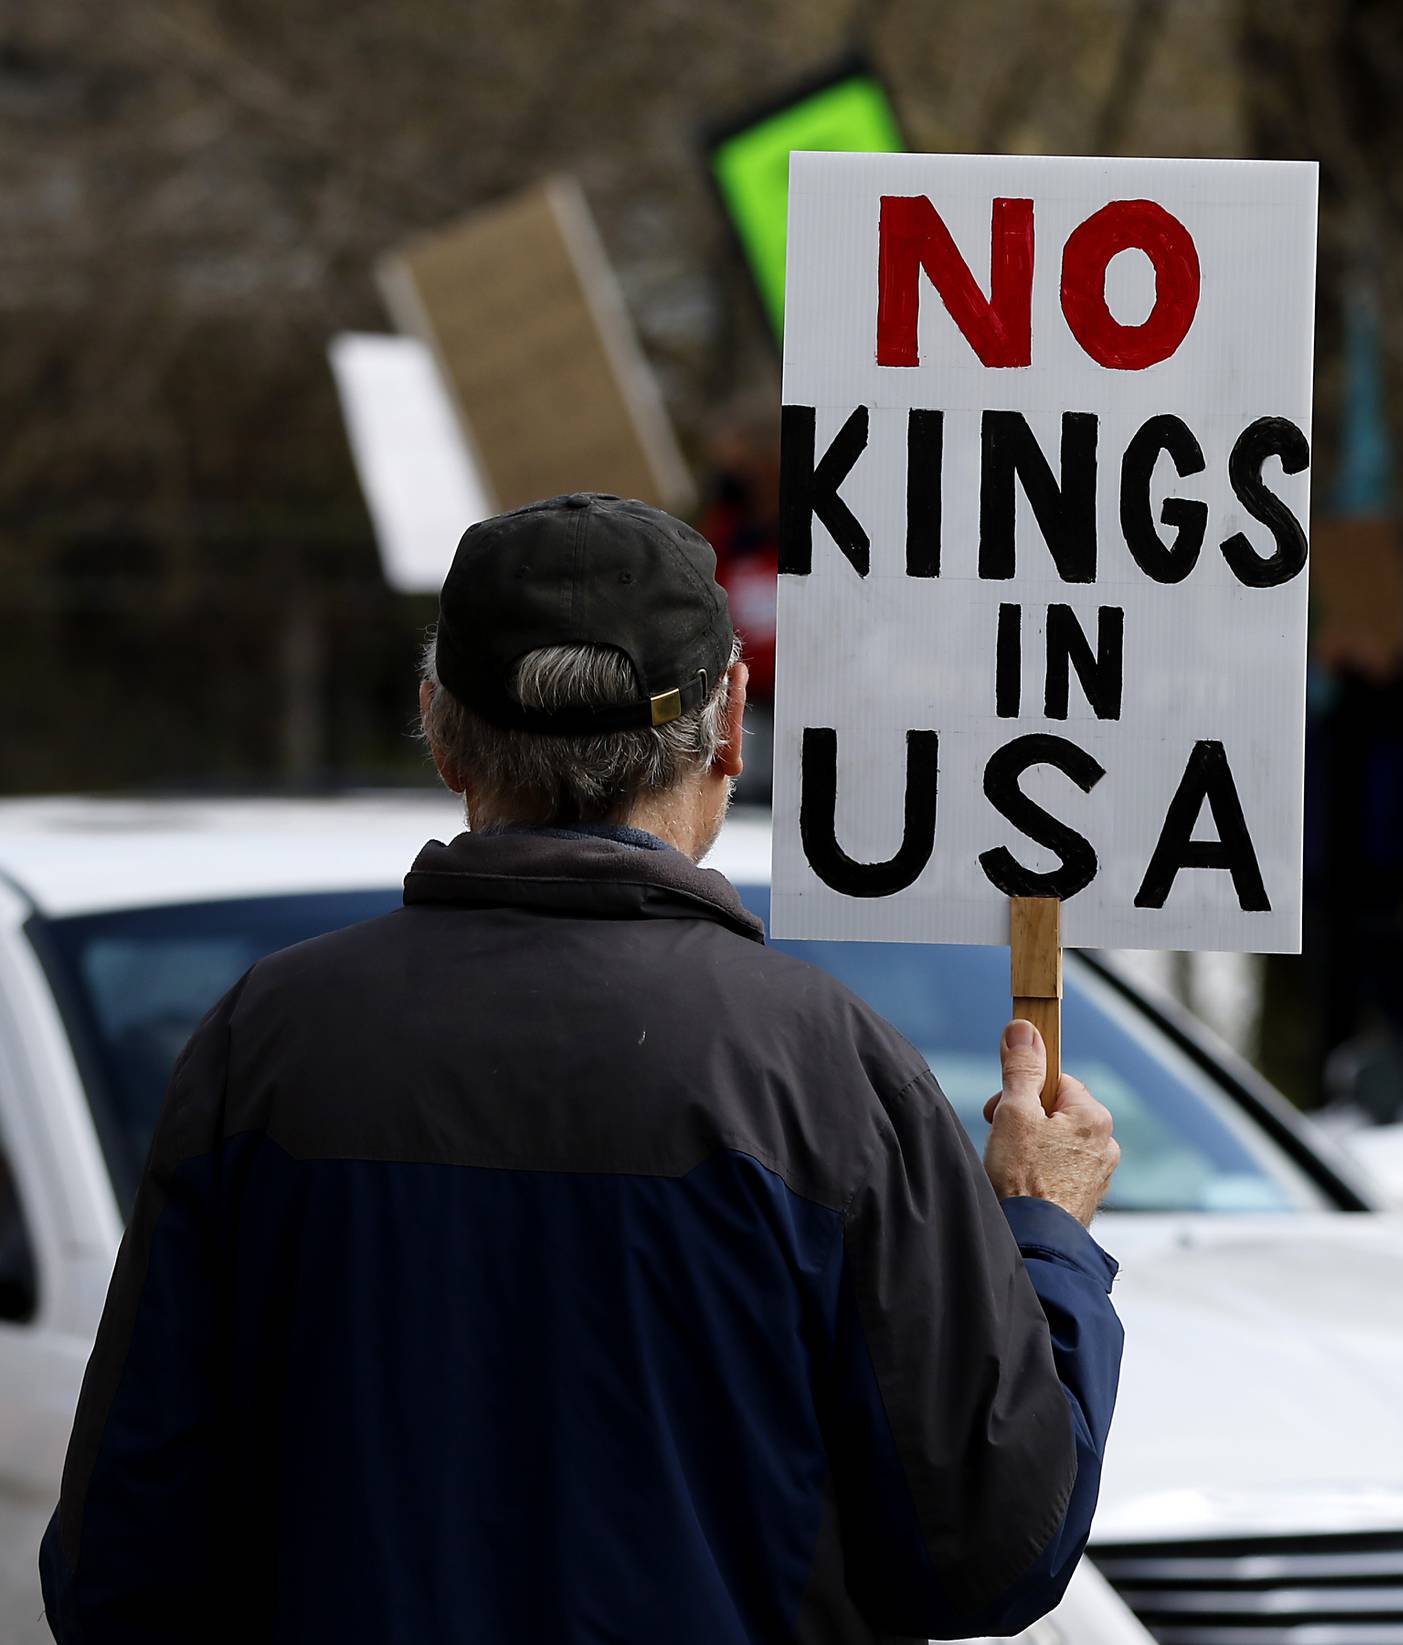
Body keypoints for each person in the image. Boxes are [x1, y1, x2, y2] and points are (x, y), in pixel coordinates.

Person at [40, 493, 1124, 1645]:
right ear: (731, 726)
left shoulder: (260, 1044)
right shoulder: (825, 1068)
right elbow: (992, 1546)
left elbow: (123, 1569)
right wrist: (1043, 1232)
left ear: (440, 729)